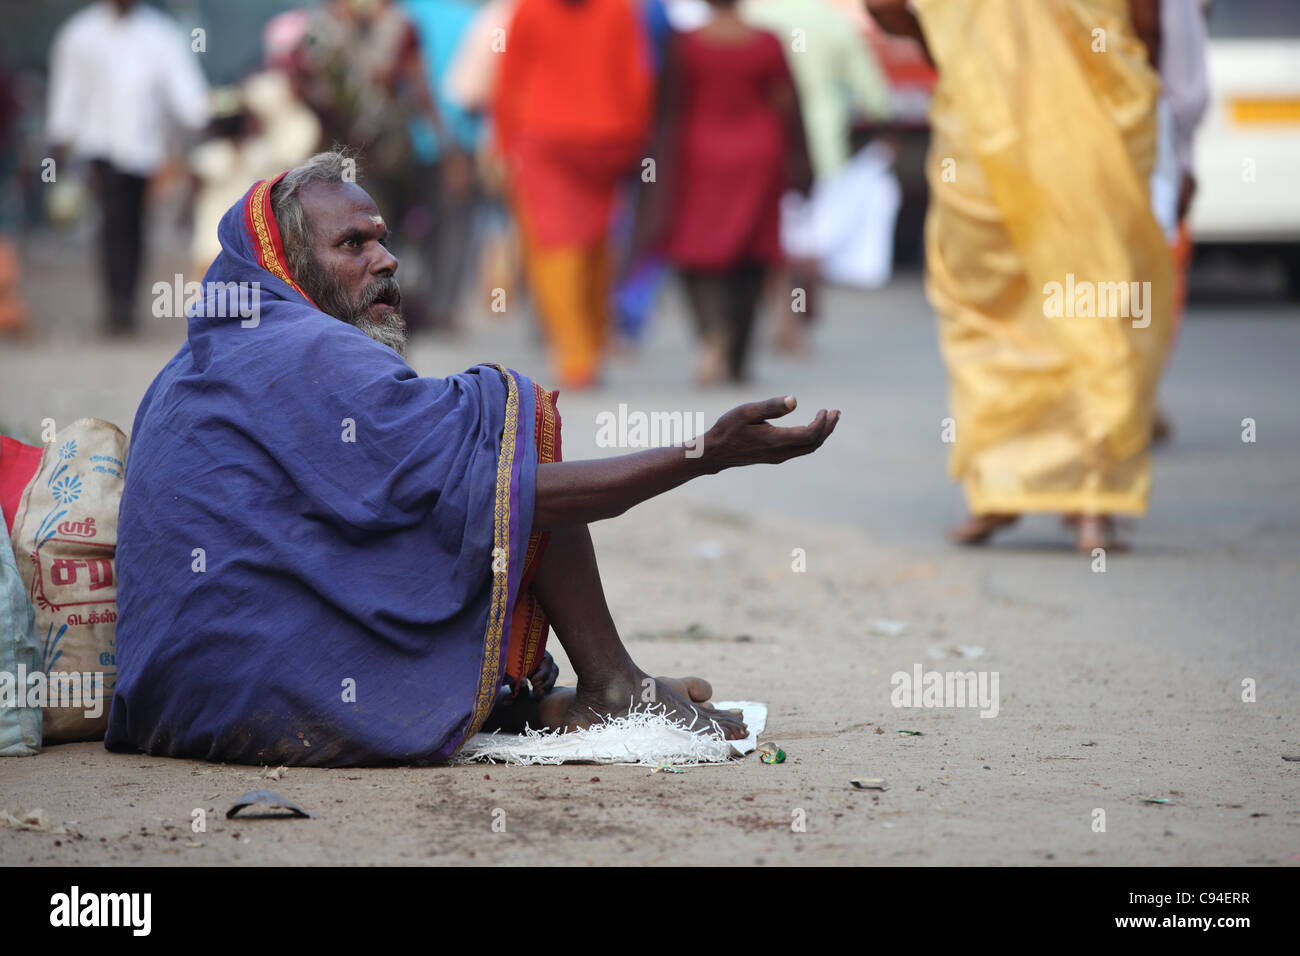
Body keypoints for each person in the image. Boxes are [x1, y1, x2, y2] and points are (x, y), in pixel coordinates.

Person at [104, 152, 839, 767]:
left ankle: (533, 700)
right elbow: (515, 494)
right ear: (290, 266)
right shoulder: (309, 350)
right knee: (502, 427)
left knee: (466, 463)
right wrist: (703, 453)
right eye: (352, 246)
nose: (386, 259)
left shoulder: (202, 358)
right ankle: (613, 684)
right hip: (258, 700)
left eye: (382, 239)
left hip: (173, 699)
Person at [868, 0, 1173, 552]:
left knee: (989, 312)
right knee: (1094, 299)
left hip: (984, 120)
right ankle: (1093, 503)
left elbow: (884, 7)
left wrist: (956, 43)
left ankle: (999, 489)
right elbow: (1150, 23)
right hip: (1095, 122)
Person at [492, 0, 655, 390]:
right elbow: (639, 78)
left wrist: (504, 143)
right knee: (596, 238)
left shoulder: (529, 10)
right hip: (607, 137)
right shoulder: (621, 10)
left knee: (554, 244)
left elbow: (509, 79)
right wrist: (634, 136)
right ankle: (591, 343)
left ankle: (576, 352)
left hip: (543, 135)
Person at [650, 0, 812, 385]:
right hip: (758, 152)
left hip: (699, 154)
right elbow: (788, 102)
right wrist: (802, 164)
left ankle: (711, 333)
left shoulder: (685, 44)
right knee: (751, 252)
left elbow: (667, 104)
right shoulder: (766, 43)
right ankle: (737, 356)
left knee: (695, 250)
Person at [46, 0, 209, 335]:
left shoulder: (160, 34)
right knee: (113, 224)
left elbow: (185, 90)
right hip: (100, 147)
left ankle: (126, 302)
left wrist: (206, 115)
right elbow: (69, 92)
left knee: (132, 224)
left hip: (143, 149)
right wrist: (61, 139)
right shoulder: (80, 34)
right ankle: (117, 304)